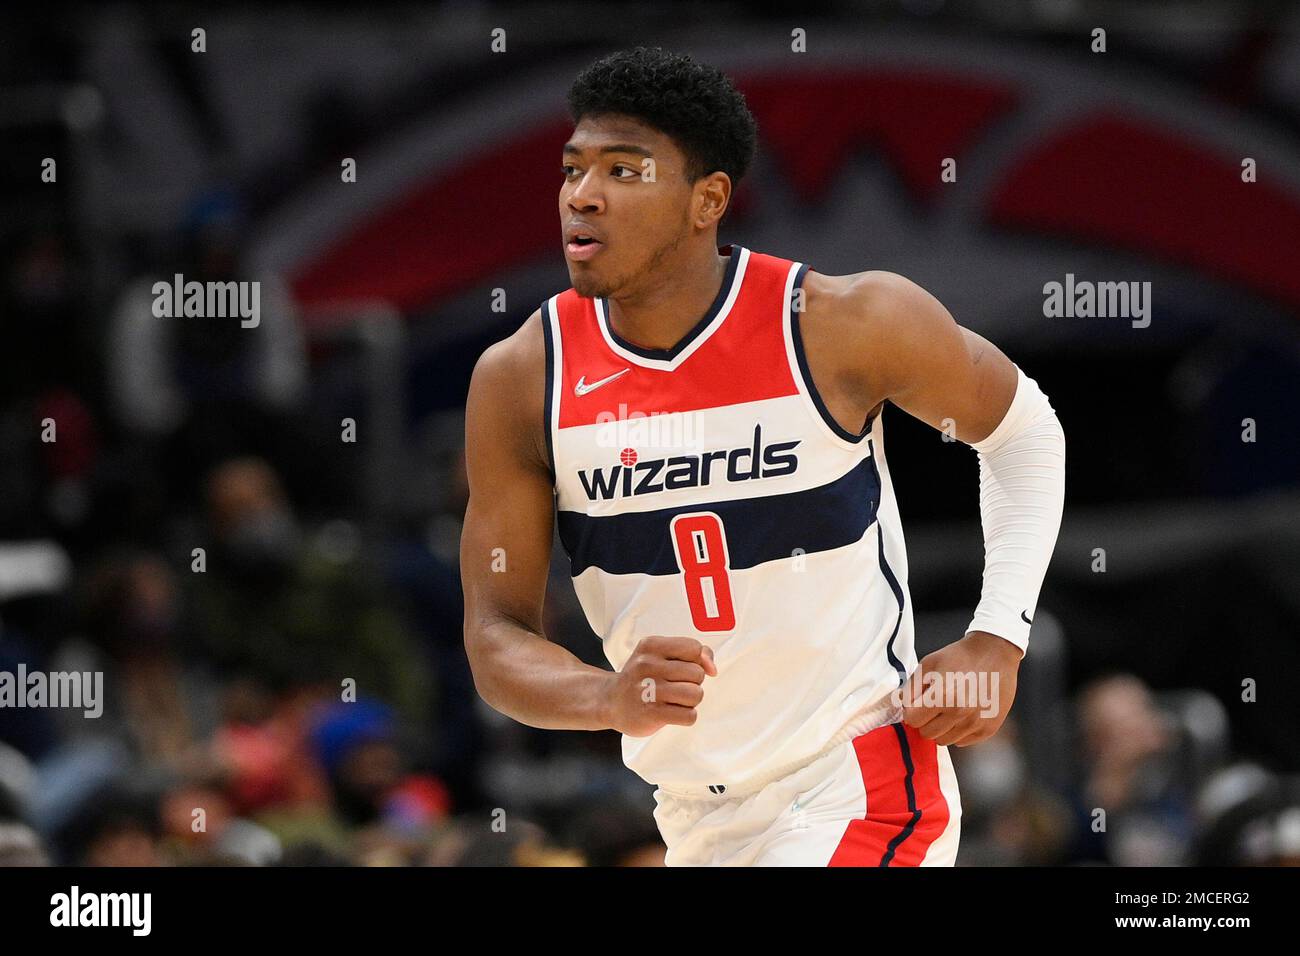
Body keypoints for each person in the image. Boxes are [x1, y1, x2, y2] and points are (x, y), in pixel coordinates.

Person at [461, 47, 1066, 866]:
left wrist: (997, 638)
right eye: (572, 170)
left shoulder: (842, 322)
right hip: (692, 813)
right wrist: (605, 696)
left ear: (707, 199)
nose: (583, 196)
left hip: (859, 781)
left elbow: (1024, 431)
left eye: (623, 171)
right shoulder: (523, 377)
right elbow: (495, 636)